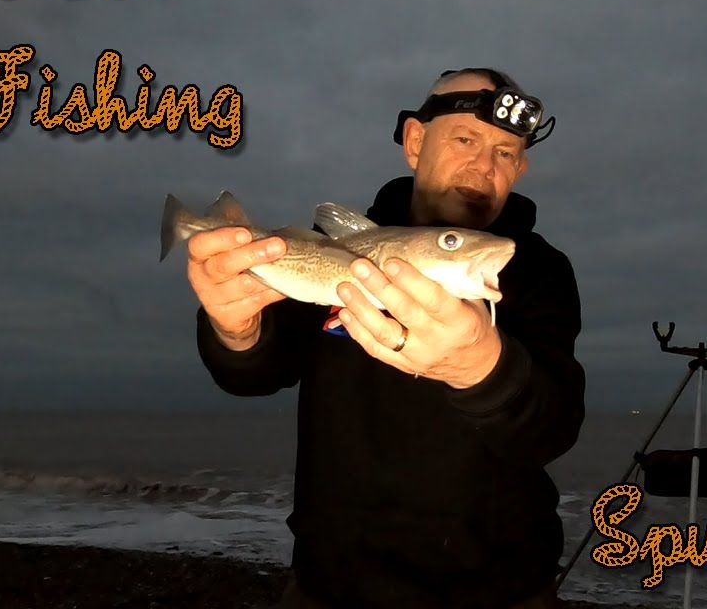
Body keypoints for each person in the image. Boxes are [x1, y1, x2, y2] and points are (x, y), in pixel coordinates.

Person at [186, 67, 586, 608]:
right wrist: (235, 327)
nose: (484, 166)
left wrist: (480, 367)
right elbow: (258, 372)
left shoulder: (539, 272)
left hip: (495, 589)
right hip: (330, 584)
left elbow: (554, 426)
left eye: (506, 152)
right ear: (416, 142)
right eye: (466, 139)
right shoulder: (335, 251)